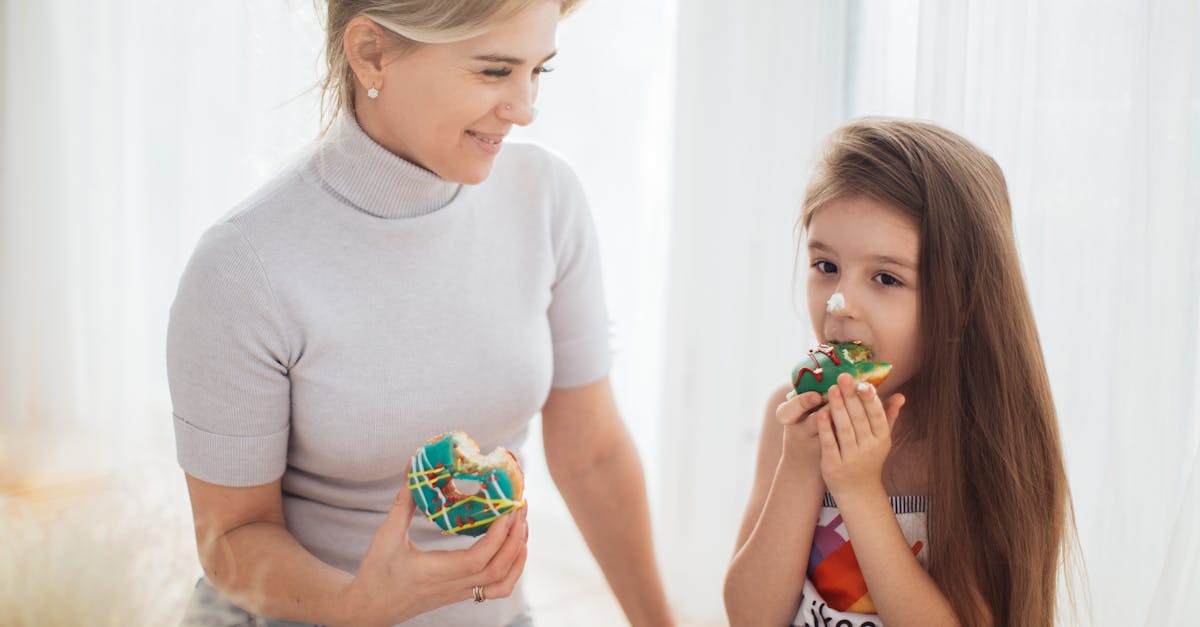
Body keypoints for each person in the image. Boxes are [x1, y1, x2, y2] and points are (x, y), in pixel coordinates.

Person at [167, 1, 673, 625]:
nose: (525, 107)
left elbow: (591, 455)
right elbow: (230, 537)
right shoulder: (243, 265)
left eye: (539, 70)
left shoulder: (546, 199)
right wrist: (357, 605)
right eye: (494, 71)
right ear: (371, 53)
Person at [723, 118, 1076, 626]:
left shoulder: (981, 438)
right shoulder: (792, 416)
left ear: (963, 300)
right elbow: (749, 617)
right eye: (826, 266)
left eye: (886, 278)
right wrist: (800, 465)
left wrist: (859, 491)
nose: (840, 304)